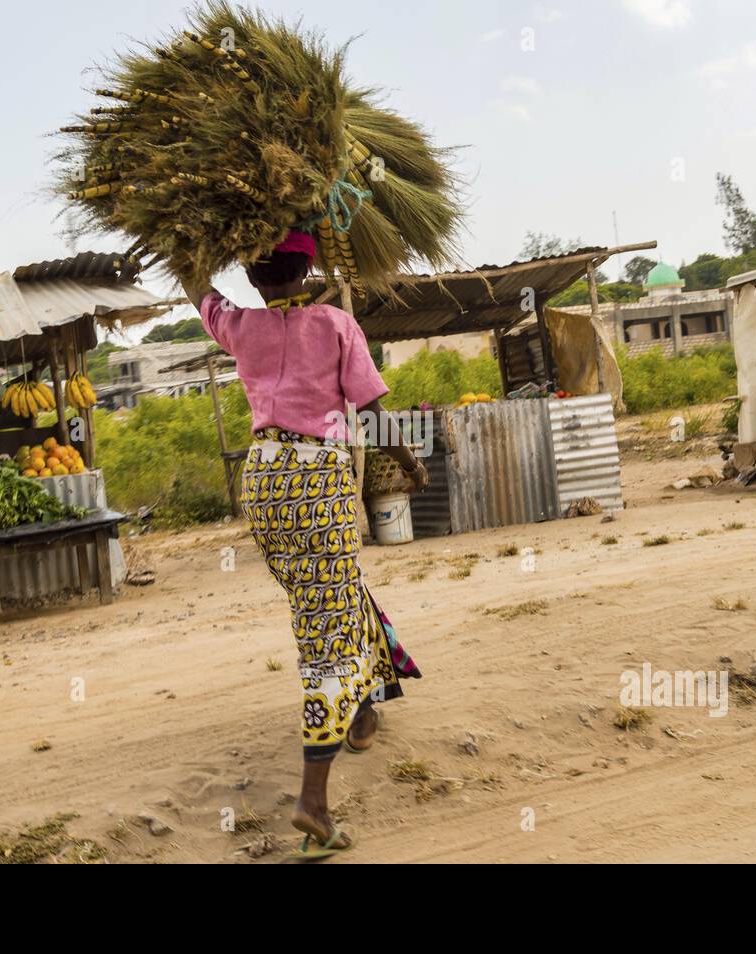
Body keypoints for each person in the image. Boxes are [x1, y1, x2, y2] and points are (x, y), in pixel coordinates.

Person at [181, 230, 426, 861]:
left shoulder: (238, 326)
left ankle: (367, 710)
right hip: (318, 481)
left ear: (253, 276)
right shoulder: (335, 323)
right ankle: (312, 802)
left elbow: (197, 292)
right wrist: (411, 462)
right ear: (310, 266)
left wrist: (191, 251)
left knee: (332, 598)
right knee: (325, 632)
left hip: (263, 483)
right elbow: (371, 410)